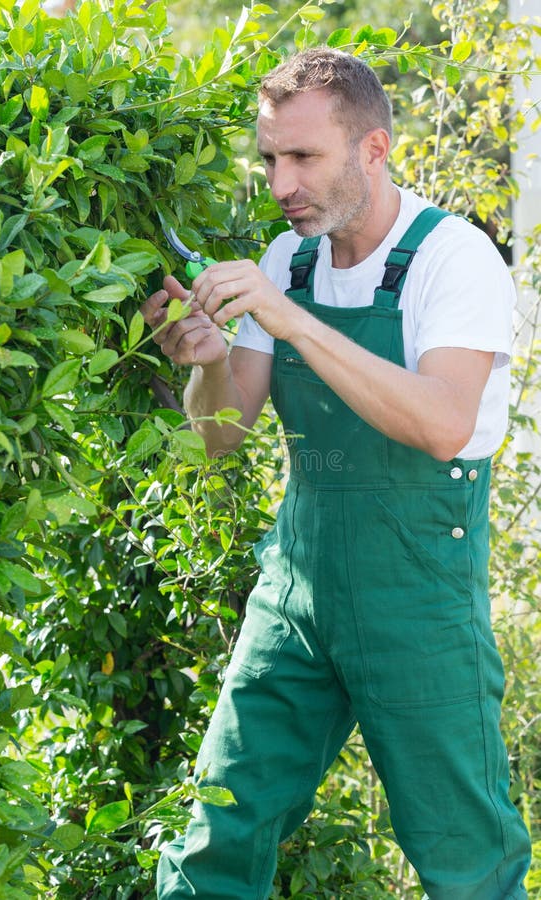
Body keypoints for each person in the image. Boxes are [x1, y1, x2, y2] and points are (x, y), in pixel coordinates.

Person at [141, 48, 531, 900]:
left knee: (468, 860)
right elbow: (219, 434)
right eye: (271, 157)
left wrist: (290, 321)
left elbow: (441, 422)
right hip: (297, 592)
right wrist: (205, 359)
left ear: (374, 150)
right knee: (217, 831)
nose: (282, 183)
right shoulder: (289, 260)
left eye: (304, 158)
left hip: (418, 597)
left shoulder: (452, 258)